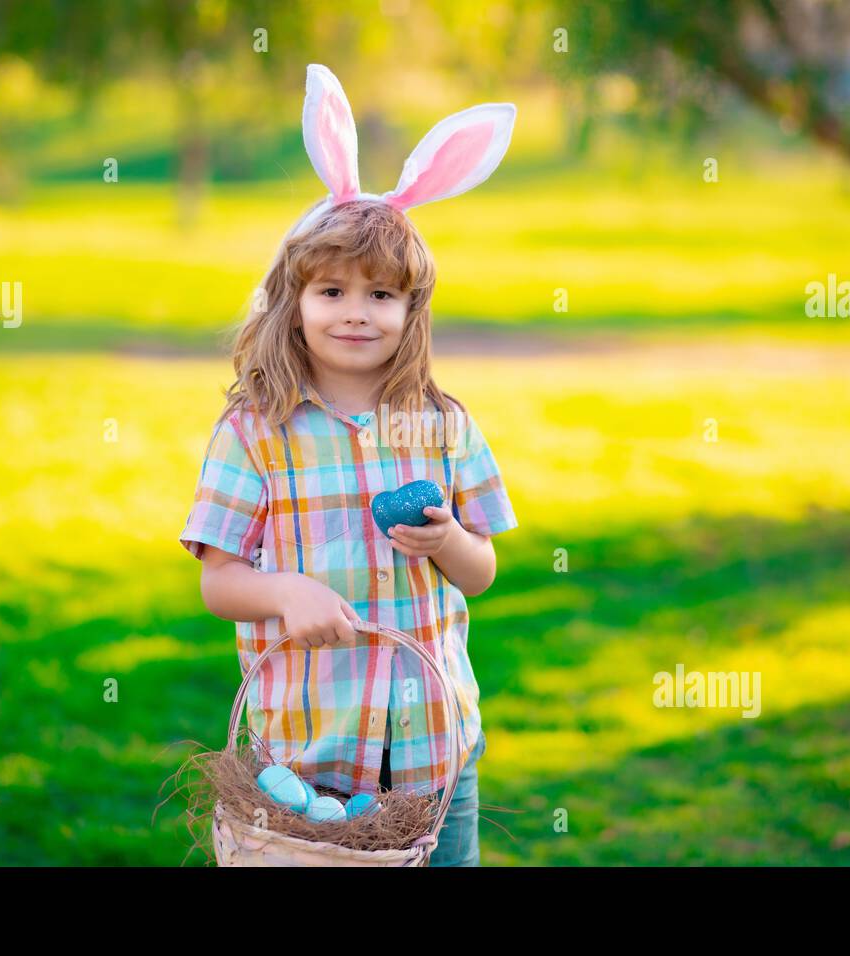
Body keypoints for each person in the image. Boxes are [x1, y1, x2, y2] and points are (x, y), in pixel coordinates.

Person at [179, 64, 518, 866]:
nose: (357, 313)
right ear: (292, 303)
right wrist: (285, 590)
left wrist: (448, 545)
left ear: (411, 311)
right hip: (306, 749)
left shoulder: (444, 426)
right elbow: (218, 580)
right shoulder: (255, 434)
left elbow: (482, 572)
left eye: (381, 296)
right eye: (331, 291)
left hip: (435, 752)